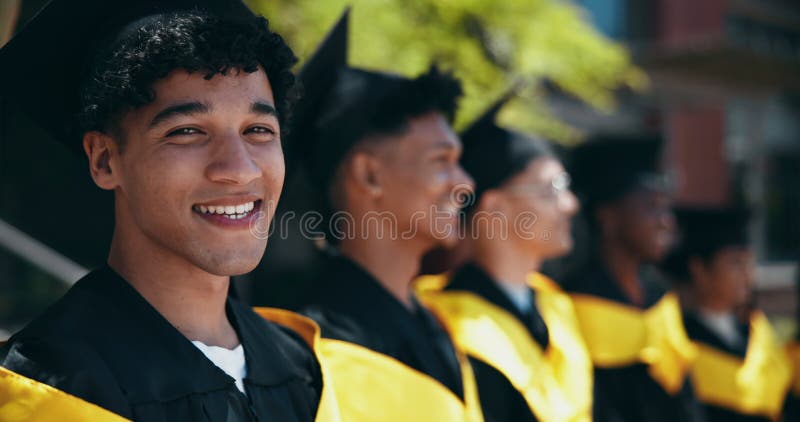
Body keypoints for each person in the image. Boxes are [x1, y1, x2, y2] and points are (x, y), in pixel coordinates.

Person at [0, 1, 331, 420]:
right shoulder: (48, 389)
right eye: (187, 131)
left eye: (258, 130)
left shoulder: (304, 368)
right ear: (105, 160)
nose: (239, 168)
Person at [290, 10, 482, 421]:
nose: (464, 183)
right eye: (441, 160)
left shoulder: (436, 325)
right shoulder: (318, 347)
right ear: (369, 174)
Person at [414, 94, 593, 422]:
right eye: (552, 187)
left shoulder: (555, 308)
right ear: (495, 207)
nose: (570, 204)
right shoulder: (450, 324)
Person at [562, 134, 704, 422]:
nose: (667, 222)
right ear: (608, 217)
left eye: (666, 208)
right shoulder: (572, 306)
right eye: (652, 207)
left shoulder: (660, 301)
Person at [662, 207, 793, 422]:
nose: (747, 274)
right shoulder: (681, 342)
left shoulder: (759, 335)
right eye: (735, 263)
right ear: (699, 270)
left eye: (749, 262)